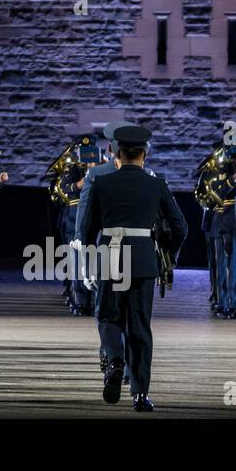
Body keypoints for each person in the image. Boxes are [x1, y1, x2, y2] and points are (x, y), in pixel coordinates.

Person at [77, 125, 187, 411]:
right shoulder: (157, 184)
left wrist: (90, 263)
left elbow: (88, 230)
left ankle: (114, 358)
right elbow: (180, 227)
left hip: (110, 255)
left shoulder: (101, 183)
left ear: (115, 152)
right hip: (142, 259)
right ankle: (140, 394)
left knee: (108, 318)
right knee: (140, 327)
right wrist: (167, 253)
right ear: (145, 154)